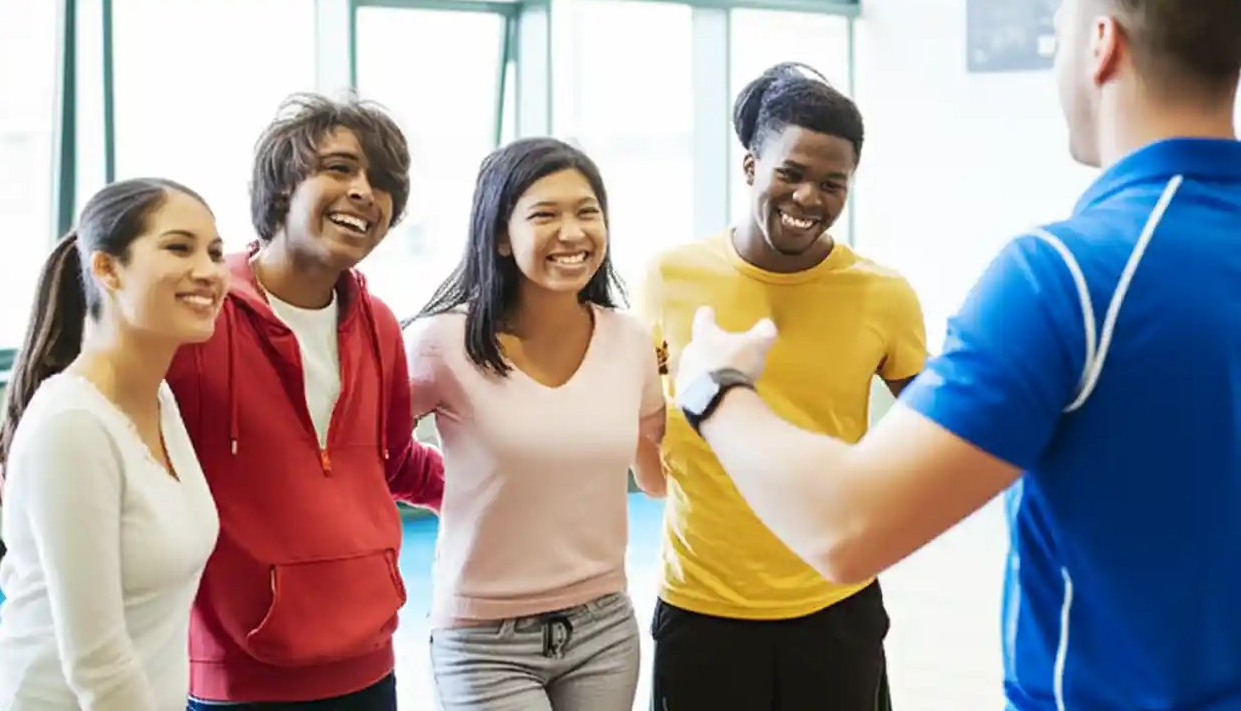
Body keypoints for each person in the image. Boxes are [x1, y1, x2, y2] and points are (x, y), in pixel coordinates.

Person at [671, 0, 1241, 709]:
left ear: (1102, 45)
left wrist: (715, 386)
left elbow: (845, 526)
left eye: (1058, 34)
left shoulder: (1065, 278)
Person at [635, 61, 927, 711]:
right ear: (750, 167)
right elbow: (640, 413)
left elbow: (938, 431)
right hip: (701, 607)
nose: (808, 198)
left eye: (832, 183)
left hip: (835, 606)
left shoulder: (884, 295)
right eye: (790, 174)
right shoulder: (670, 277)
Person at [169, 92, 444, 710]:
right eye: (340, 168)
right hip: (237, 677)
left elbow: (394, 460)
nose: (364, 192)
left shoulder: (378, 324)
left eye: (382, 181)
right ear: (282, 188)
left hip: (368, 665)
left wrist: (501, 492)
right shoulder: (198, 316)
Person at [403, 137, 666, 710]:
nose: (572, 232)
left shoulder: (630, 339)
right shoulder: (442, 343)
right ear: (500, 235)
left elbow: (656, 474)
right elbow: (366, 448)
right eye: (545, 215)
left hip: (603, 628)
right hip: (482, 639)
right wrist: (441, 486)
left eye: (587, 212)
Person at [0, 178, 226, 710]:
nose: (209, 271)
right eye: (179, 247)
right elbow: (97, 663)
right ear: (107, 269)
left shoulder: (158, 397)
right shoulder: (72, 424)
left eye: (214, 252)